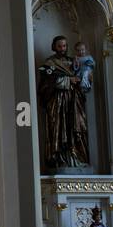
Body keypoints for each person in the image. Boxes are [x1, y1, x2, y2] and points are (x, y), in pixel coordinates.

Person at [38, 35, 89, 170]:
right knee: (59, 128)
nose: (62, 48)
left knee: (76, 126)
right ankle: (59, 158)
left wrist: (84, 78)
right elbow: (45, 85)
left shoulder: (74, 62)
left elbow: (83, 79)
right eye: (60, 46)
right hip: (57, 102)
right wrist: (67, 81)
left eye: (65, 46)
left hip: (73, 100)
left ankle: (75, 156)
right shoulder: (50, 63)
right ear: (54, 47)